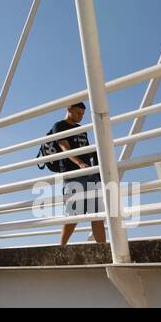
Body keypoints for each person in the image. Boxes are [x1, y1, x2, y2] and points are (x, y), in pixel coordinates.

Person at [46, 101, 106, 246]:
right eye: (78, 113)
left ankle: (103, 248)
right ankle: (61, 248)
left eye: (83, 114)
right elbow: (64, 148)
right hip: (73, 175)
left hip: (90, 174)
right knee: (73, 215)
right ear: (68, 108)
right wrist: (79, 163)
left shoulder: (81, 129)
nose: (80, 117)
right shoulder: (59, 126)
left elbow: (86, 149)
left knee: (97, 215)